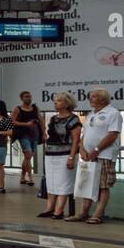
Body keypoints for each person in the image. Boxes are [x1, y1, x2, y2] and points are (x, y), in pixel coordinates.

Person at [69, 88, 121, 225]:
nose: (90, 98)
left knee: (103, 186)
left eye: (94, 96)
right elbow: (84, 134)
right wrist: (82, 148)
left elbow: (112, 135)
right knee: (87, 183)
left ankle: (97, 214)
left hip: (104, 155)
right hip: (88, 155)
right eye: (90, 96)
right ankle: (83, 213)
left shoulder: (113, 113)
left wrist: (96, 150)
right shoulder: (91, 114)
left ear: (103, 99)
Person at [38, 92, 81, 220]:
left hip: (65, 154)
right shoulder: (53, 118)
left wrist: (71, 157)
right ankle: (49, 208)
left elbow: (76, 139)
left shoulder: (74, 119)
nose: (55, 103)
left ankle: (59, 210)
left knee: (64, 181)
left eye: (59, 101)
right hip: (51, 154)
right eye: (55, 100)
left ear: (67, 104)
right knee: (51, 181)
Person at [11, 91, 41, 186]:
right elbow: (12, 122)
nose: (29, 98)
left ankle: (22, 176)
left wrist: (44, 133)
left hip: (35, 134)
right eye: (26, 96)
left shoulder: (35, 108)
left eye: (30, 96)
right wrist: (26, 124)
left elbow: (41, 120)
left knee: (28, 157)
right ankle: (30, 177)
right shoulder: (17, 109)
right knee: (28, 155)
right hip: (23, 134)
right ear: (22, 98)